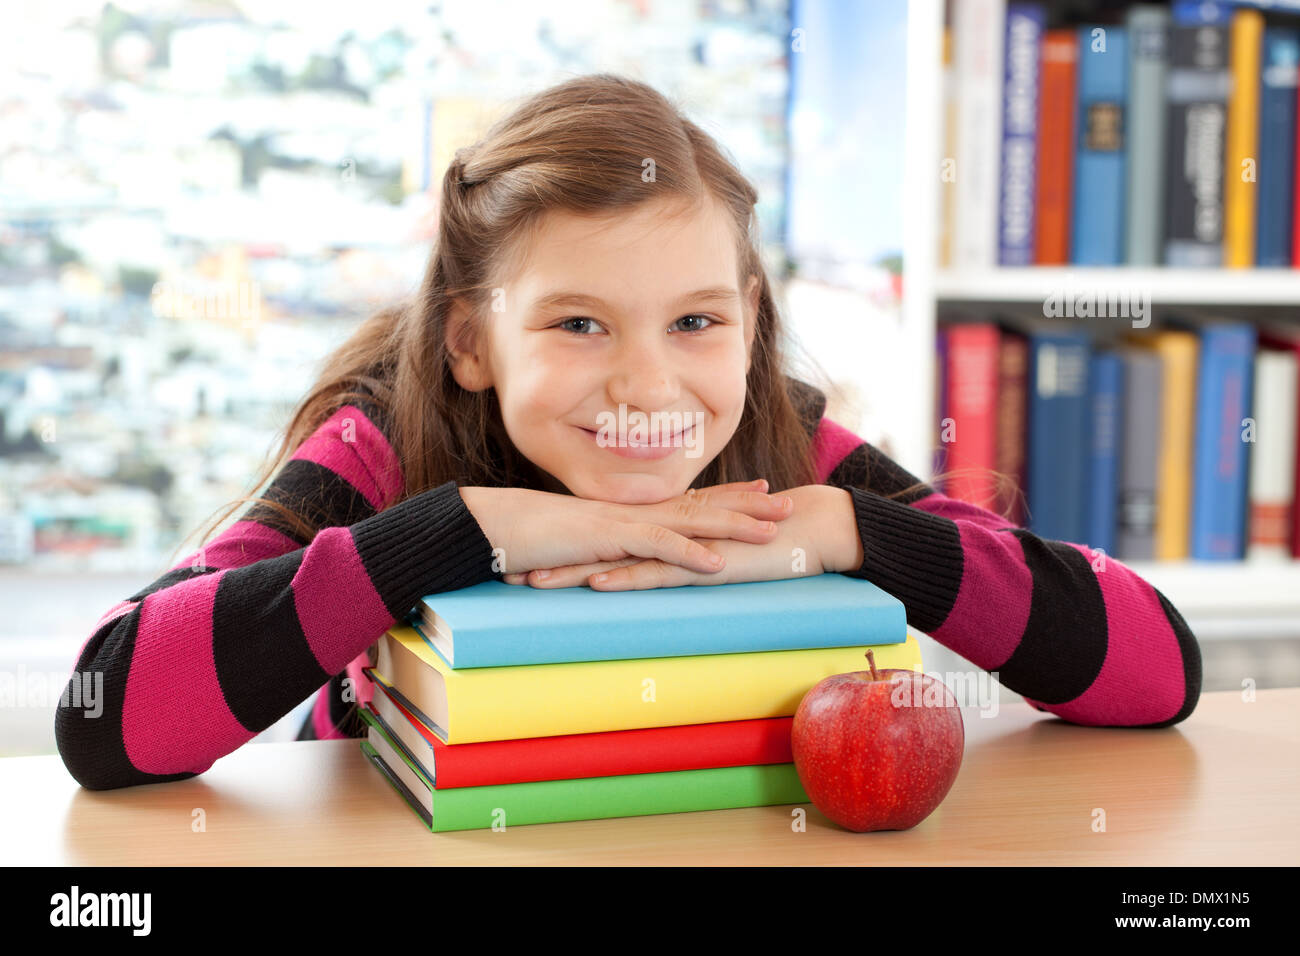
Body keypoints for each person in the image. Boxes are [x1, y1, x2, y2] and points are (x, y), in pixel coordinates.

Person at [55, 74, 1200, 791]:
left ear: (750, 325)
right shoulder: (383, 449)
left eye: (696, 319)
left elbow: (1156, 669)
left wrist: (856, 532)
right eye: (579, 322)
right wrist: (464, 528)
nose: (648, 379)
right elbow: (103, 716)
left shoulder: (782, 444)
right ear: (469, 340)